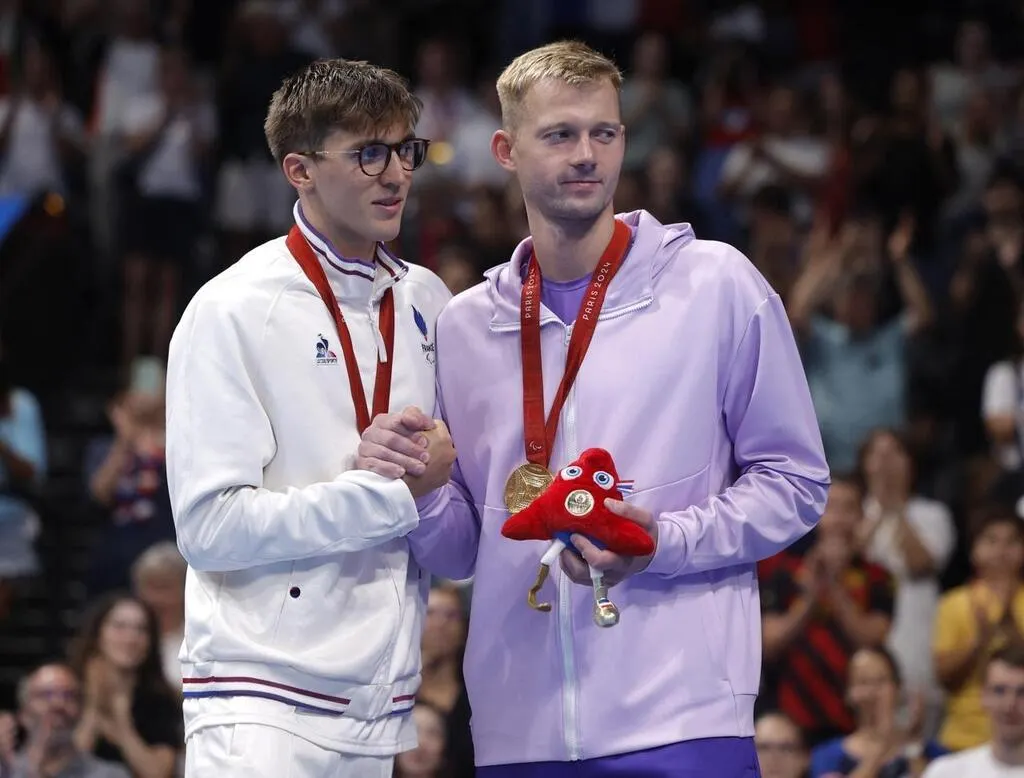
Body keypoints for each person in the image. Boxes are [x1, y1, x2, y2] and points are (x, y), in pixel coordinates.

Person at [357, 40, 830, 776]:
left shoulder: (715, 286)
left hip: (684, 718)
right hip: (519, 733)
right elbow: (461, 550)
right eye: (560, 135)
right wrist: (415, 488)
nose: (586, 155)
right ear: (506, 150)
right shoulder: (466, 326)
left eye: (603, 133)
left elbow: (797, 483)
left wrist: (663, 543)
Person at [164, 58, 456, 778]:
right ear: (299, 169)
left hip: (379, 704)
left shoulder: (429, 302)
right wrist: (391, 493)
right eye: (368, 153)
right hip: (258, 702)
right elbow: (210, 528)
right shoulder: (233, 308)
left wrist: (443, 482)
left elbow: (440, 514)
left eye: (405, 149)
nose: (396, 174)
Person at [0, 662, 130, 778]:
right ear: (23, 714)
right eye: (45, 695)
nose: (58, 703)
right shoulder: (6, 770)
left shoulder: (110, 774)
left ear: (80, 712)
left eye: (68, 696)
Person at [923, 645, 1024, 776]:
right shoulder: (945, 773)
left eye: (1022, 693)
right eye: (999, 691)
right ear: (984, 696)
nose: (1009, 705)